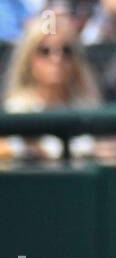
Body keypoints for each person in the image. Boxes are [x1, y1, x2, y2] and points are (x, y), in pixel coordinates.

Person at [2, 12, 107, 161]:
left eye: (66, 51)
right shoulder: (16, 110)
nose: (56, 59)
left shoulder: (89, 109)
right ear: (29, 59)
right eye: (45, 51)